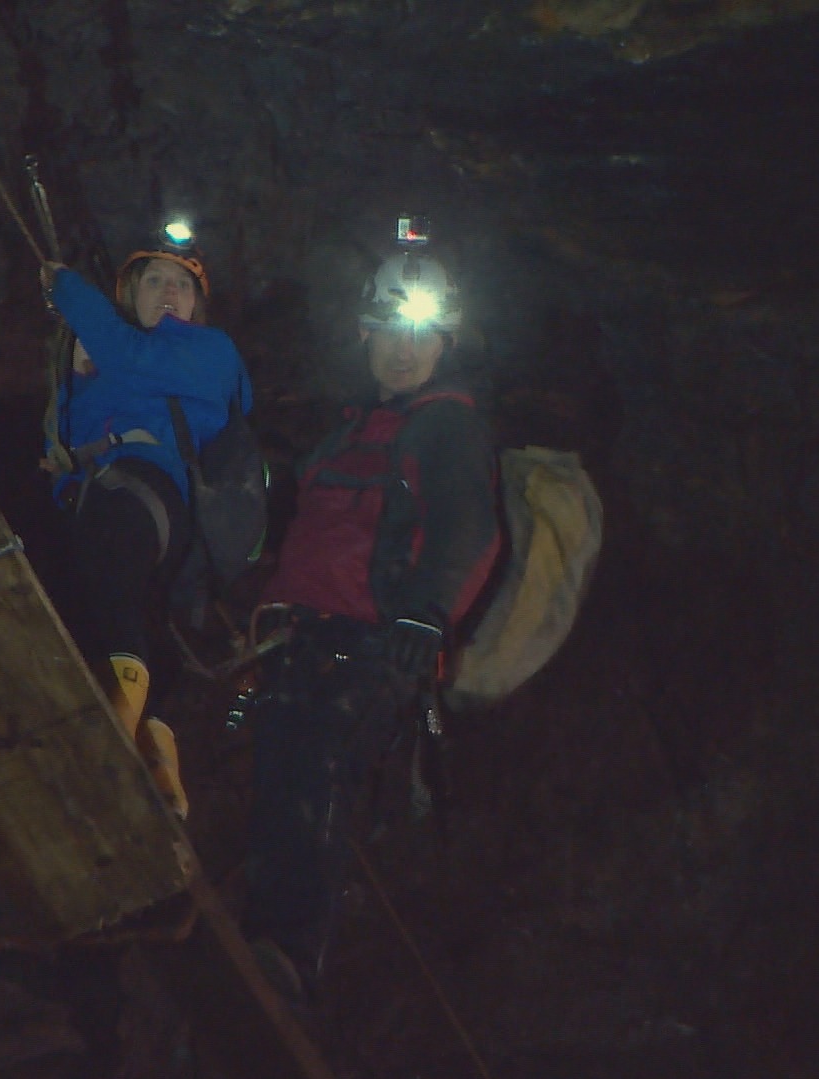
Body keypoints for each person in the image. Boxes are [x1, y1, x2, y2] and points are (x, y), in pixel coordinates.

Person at [241, 244, 501, 995]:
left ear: (445, 343)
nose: (401, 349)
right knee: (280, 781)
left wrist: (424, 615)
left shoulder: (445, 428)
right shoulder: (346, 431)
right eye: (387, 332)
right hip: (298, 637)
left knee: (316, 772)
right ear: (363, 335)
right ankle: (265, 943)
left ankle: (288, 956)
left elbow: (466, 527)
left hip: (371, 640)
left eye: (419, 336)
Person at [43, 231, 254, 820]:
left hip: (149, 492)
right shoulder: (103, 363)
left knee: (111, 568)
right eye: (156, 280)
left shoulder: (208, 351)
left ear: (195, 306)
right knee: (129, 612)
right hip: (121, 501)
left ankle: (110, 720)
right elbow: (64, 441)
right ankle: (158, 758)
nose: (169, 291)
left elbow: (131, 356)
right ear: (131, 293)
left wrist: (65, 288)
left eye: (182, 285)